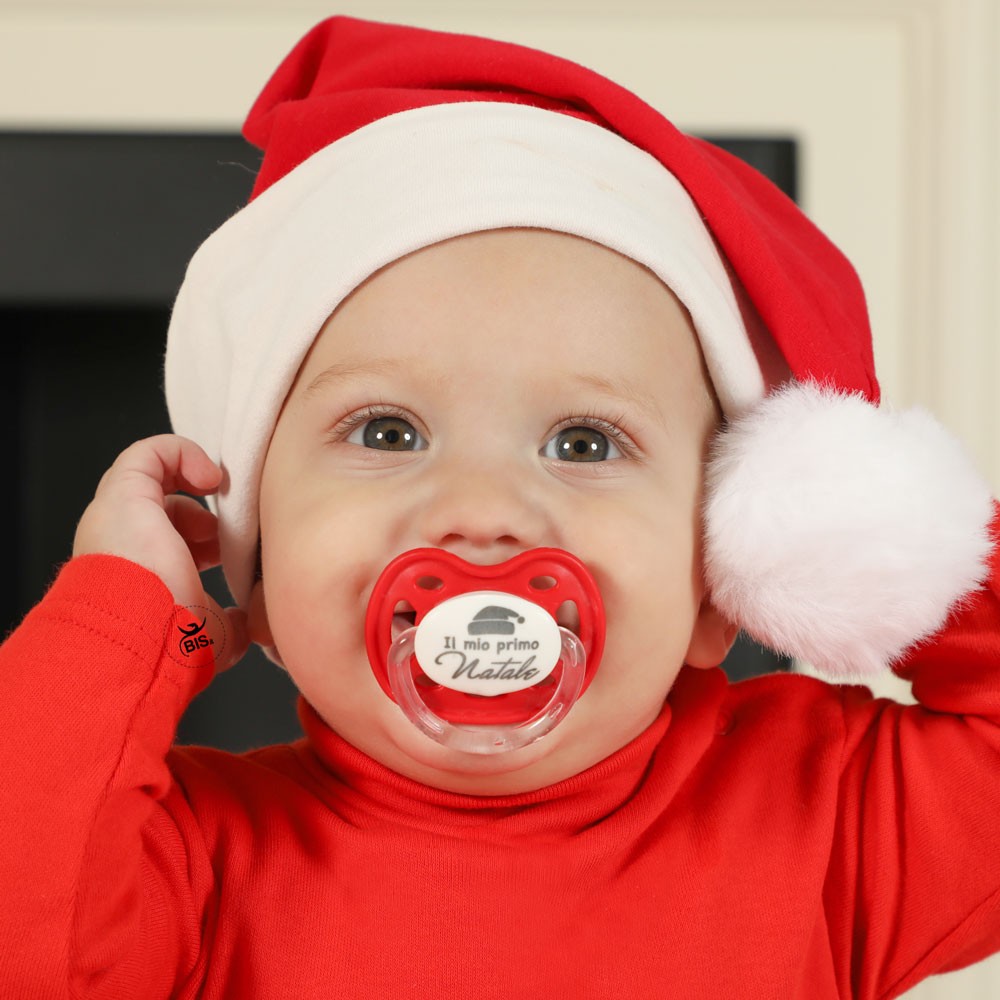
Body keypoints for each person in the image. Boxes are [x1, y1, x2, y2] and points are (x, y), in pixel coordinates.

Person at [1, 15, 998, 999]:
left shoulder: (828, 816)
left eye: (583, 442)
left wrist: (886, 537)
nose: (481, 511)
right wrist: (113, 621)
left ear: (720, 568)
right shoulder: (191, 863)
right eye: (388, 433)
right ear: (257, 562)